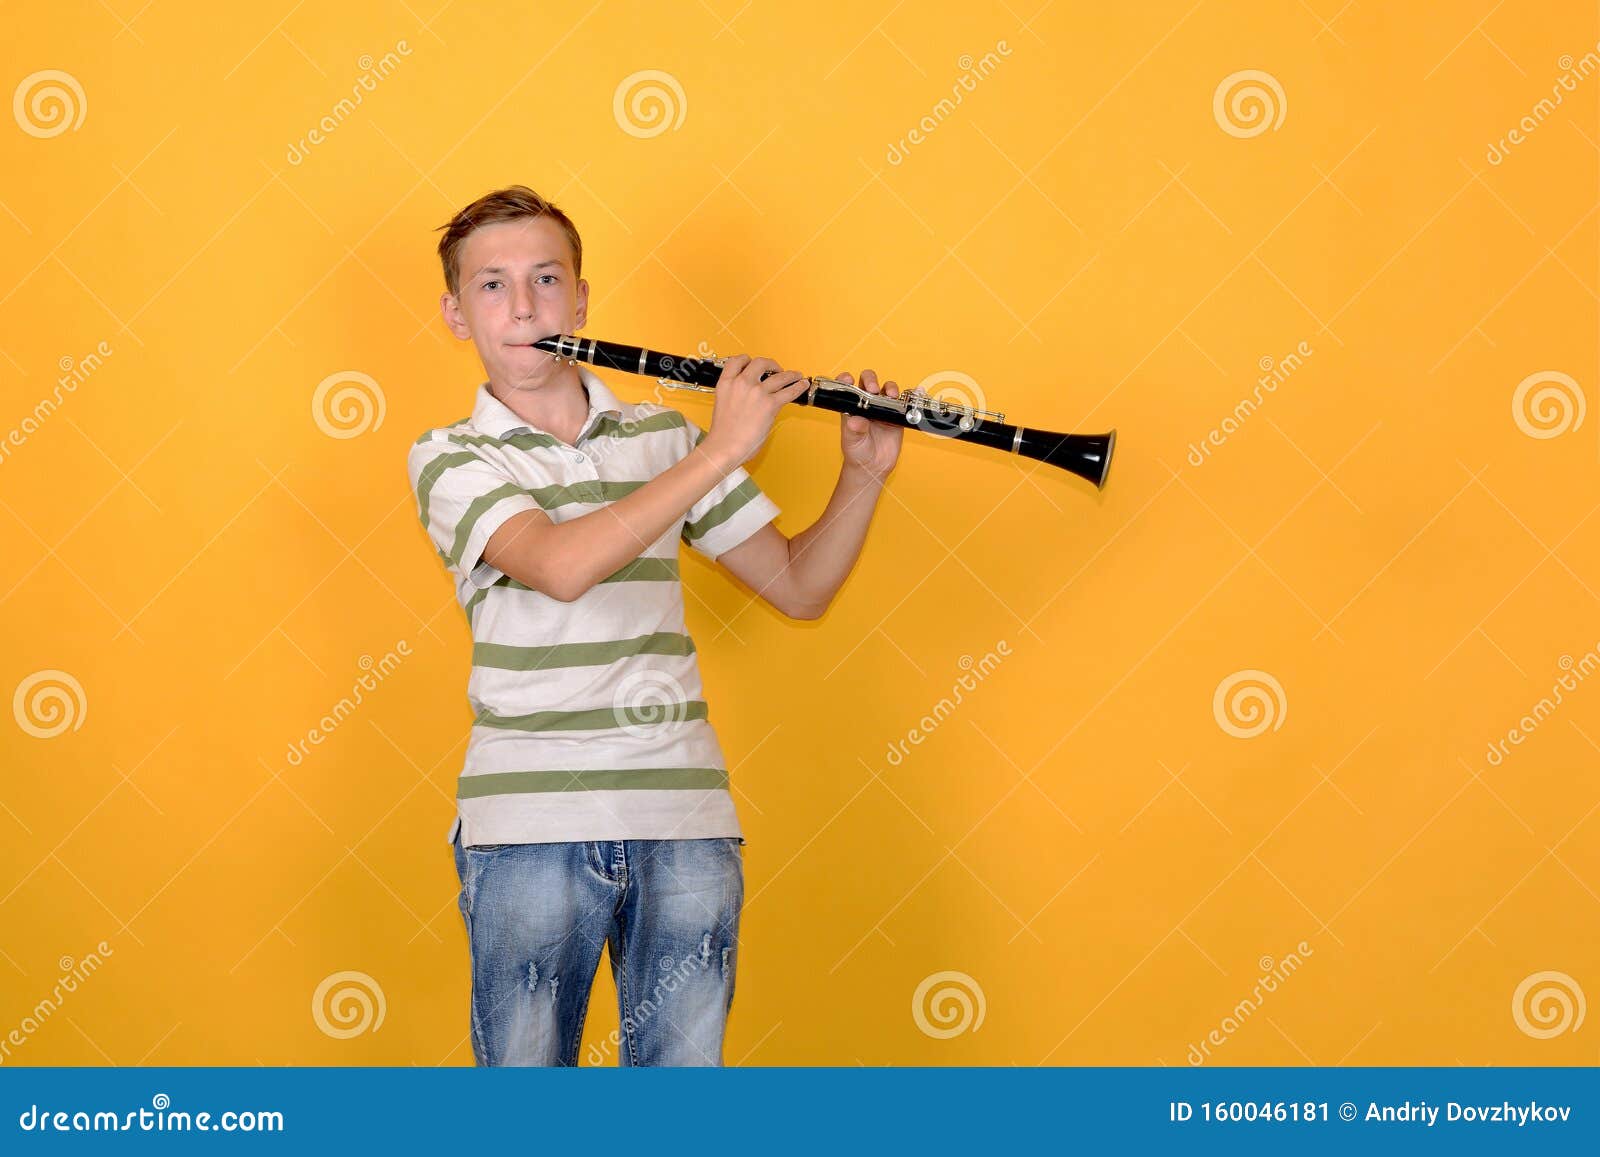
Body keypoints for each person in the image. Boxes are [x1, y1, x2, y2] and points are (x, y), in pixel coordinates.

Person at [406, 185, 903, 1066]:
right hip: (527, 824)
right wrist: (723, 448)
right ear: (456, 314)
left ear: (583, 298)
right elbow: (559, 565)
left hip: (684, 817)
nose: (524, 308)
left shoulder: (663, 439)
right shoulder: (450, 454)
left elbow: (799, 587)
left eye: (546, 279)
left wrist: (861, 475)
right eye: (492, 286)